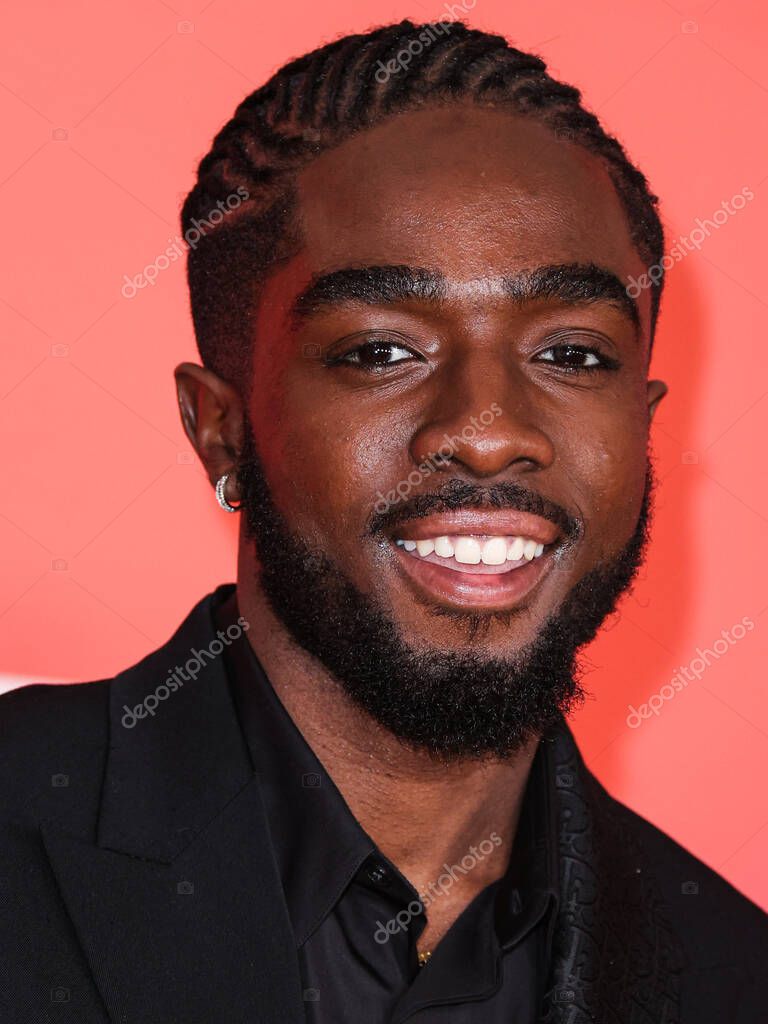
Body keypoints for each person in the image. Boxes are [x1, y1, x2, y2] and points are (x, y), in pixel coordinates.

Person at [2, 19, 765, 1024]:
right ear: (220, 428)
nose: (490, 432)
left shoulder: (732, 973)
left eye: (574, 356)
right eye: (381, 352)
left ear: (644, 425)